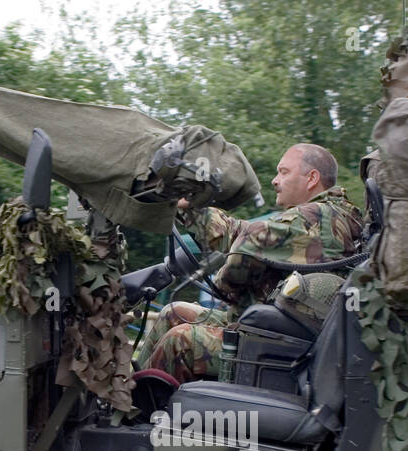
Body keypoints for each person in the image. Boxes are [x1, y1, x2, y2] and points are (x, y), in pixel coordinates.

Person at [139, 143, 364, 382]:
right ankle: (136, 396)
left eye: (284, 172)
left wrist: (225, 285)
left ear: (312, 178)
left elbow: (248, 245)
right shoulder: (318, 217)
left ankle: (144, 411)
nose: (275, 181)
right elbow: (240, 232)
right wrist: (191, 207)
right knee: (173, 313)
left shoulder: (316, 216)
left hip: (281, 343)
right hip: (273, 328)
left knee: (180, 340)